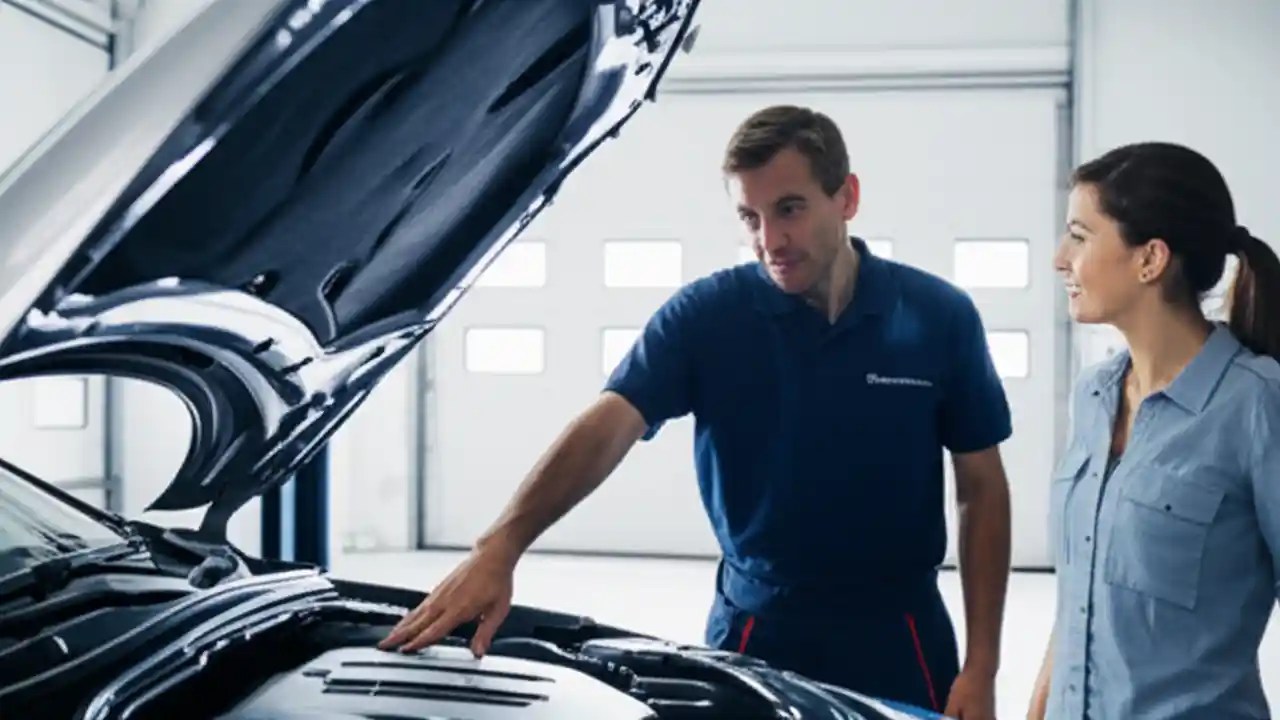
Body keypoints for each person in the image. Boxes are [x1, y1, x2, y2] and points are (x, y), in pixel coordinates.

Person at [380, 104, 1014, 718]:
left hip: (900, 635)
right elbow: (610, 424)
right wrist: (502, 545)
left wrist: (981, 666)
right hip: (756, 631)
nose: (770, 240)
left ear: (845, 197)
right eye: (750, 217)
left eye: (789, 209)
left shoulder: (937, 317)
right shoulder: (708, 318)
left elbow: (981, 490)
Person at [1028, 141, 1280, 720]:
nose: (1059, 258)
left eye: (1080, 236)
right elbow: (1077, 602)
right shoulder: (1093, 395)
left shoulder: (1254, 404)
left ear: (1151, 259)